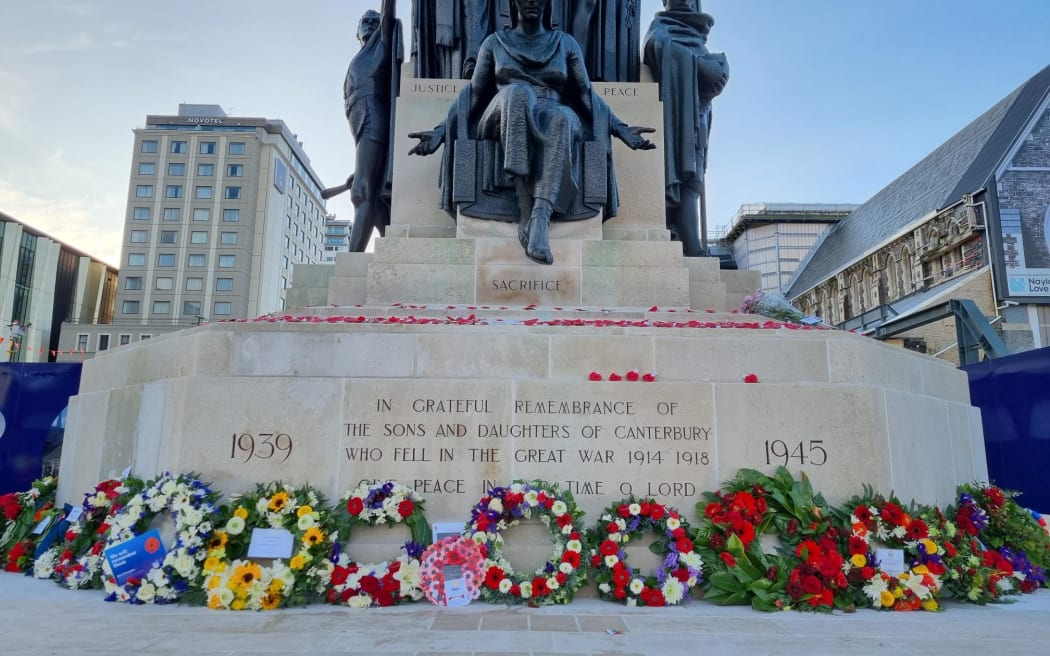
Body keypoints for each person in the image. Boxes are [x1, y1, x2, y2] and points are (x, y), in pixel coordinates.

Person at [408, 0, 654, 265]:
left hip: (551, 109)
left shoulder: (565, 43)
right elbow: (474, 94)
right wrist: (440, 131)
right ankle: (524, 204)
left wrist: (621, 129)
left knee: (563, 117)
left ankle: (540, 217)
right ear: (513, 3)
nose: (532, 3)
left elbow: (586, 95)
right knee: (518, 92)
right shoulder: (494, 42)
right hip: (502, 110)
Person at [643, 0, 728, 256]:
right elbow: (658, 48)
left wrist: (717, 69)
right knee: (685, 175)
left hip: (699, 113)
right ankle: (690, 243)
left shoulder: (696, 32)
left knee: (696, 177)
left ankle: (691, 241)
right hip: (678, 110)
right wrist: (699, 65)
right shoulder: (661, 26)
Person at [343, 0, 402, 252]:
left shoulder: (382, 42)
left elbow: (388, 13)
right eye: (365, 22)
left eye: (374, 21)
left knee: (361, 191)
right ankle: (391, 247)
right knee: (373, 193)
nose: (370, 24)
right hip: (362, 124)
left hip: (373, 118)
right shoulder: (359, 57)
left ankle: (352, 258)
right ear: (356, 31)